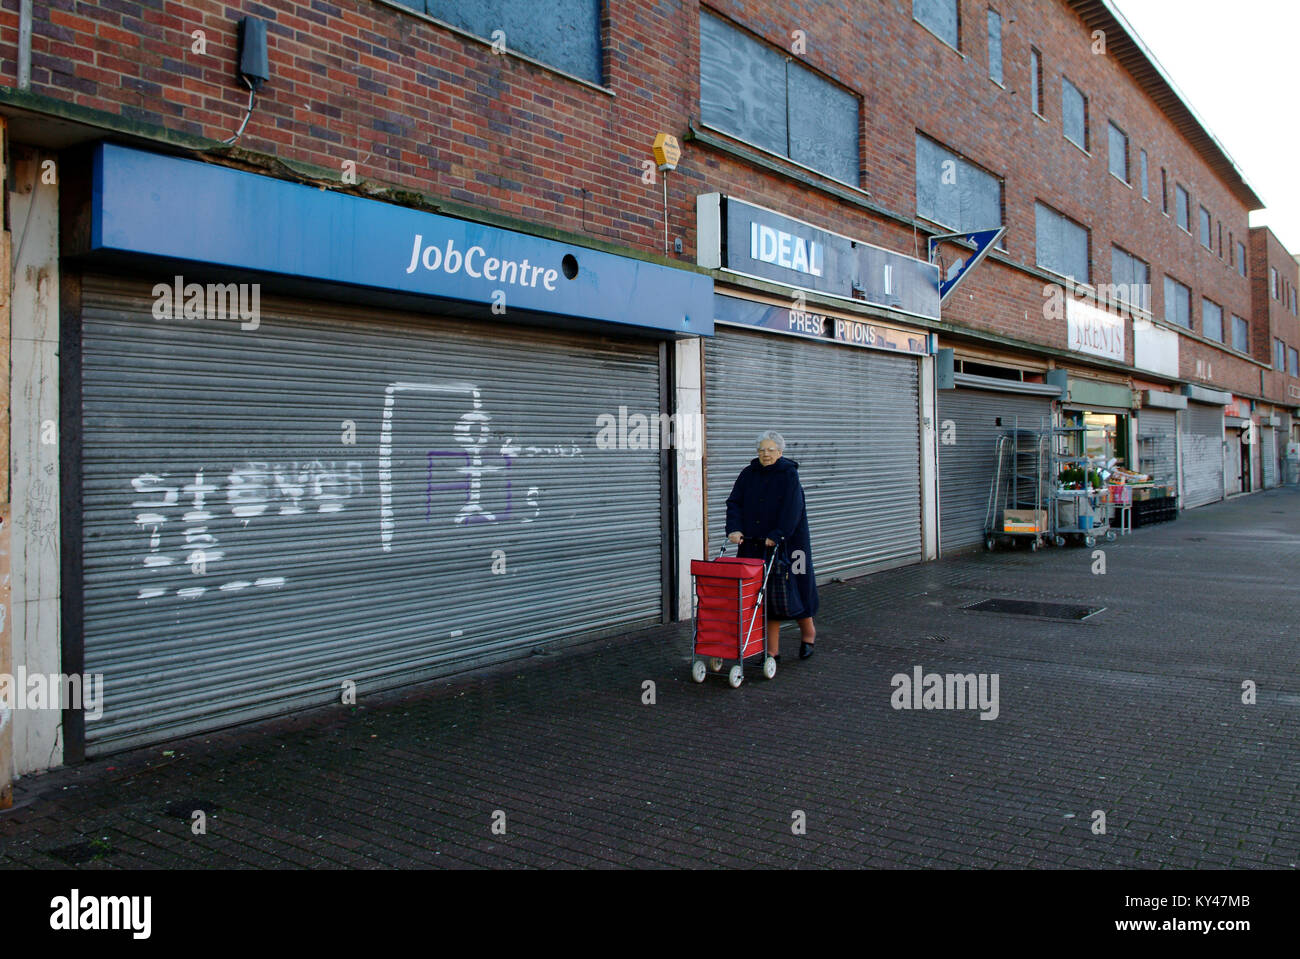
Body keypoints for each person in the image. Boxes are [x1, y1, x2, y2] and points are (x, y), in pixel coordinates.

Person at [725, 430, 818, 661]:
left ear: (780, 451)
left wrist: (777, 534)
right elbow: (734, 502)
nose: (765, 454)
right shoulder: (748, 474)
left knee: (798, 587)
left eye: (770, 450)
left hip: (792, 545)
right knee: (763, 593)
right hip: (755, 544)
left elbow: (792, 509)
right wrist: (734, 529)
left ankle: (808, 634)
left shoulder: (789, 475)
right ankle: (772, 651)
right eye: (761, 450)